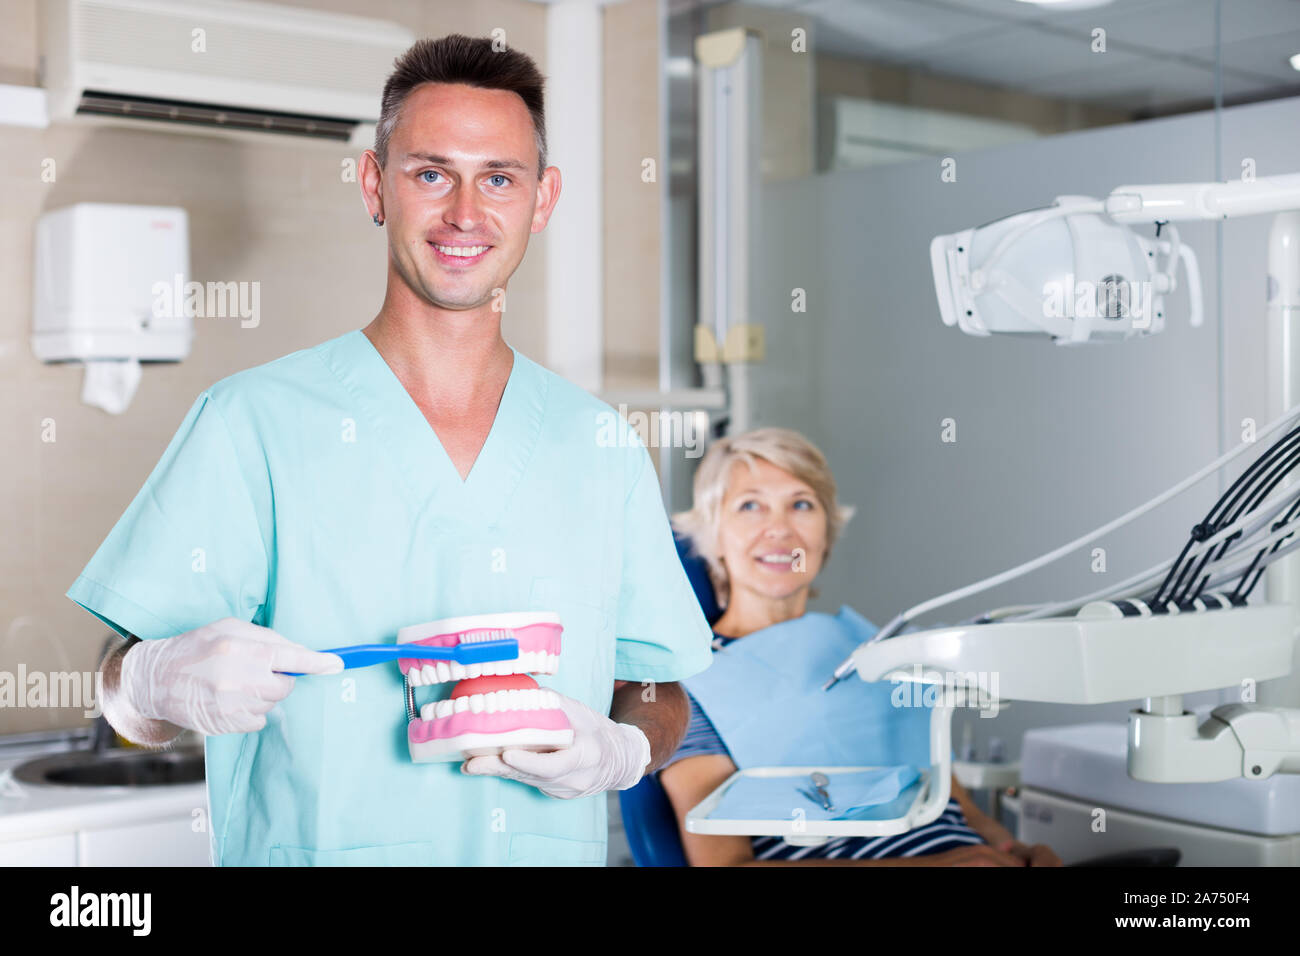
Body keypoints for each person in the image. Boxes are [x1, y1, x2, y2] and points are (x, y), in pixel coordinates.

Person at [70, 34, 713, 867]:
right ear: (376, 185)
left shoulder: (600, 444)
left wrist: (621, 751)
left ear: (542, 199)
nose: (466, 215)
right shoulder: (252, 423)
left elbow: (658, 685)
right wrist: (154, 679)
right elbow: (123, 696)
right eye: (431, 172)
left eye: (500, 178)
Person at [661, 428, 1062, 866]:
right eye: (750, 506)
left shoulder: (883, 652)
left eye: (801, 504)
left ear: (826, 534)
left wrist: (1013, 849)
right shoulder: (692, 685)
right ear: (714, 535)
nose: (778, 529)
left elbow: (957, 807)